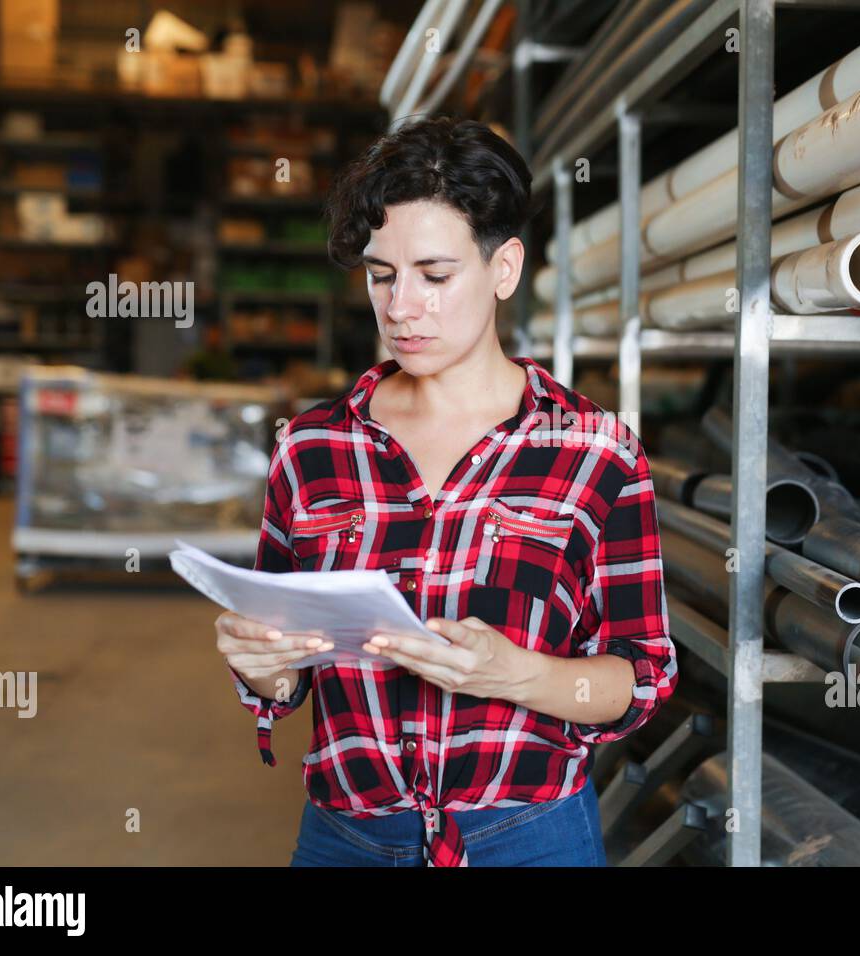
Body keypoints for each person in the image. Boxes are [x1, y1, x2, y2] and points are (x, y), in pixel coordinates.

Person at [214, 115, 678, 867]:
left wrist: (515, 674)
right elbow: (288, 674)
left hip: (529, 838)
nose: (401, 308)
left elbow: (639, 679)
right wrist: (261, 663)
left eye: (434, 276)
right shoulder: (310, 450)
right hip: (346, 839)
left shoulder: (595, 452)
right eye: (381, 274)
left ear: (504, 269)